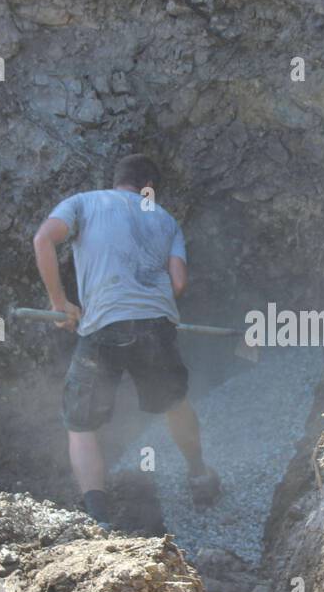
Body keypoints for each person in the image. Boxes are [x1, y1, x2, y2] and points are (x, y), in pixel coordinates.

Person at [32, 153, 220, 525]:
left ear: (116, 180)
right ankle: (199, 476)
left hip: (103, 326)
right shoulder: (166, 220)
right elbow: (178, 283)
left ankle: (98, 518)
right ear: (149, 189)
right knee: (175, 403)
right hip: (156, 326)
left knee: (81, 424)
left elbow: (43, 240)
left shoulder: (83, 203)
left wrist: (60, 302)